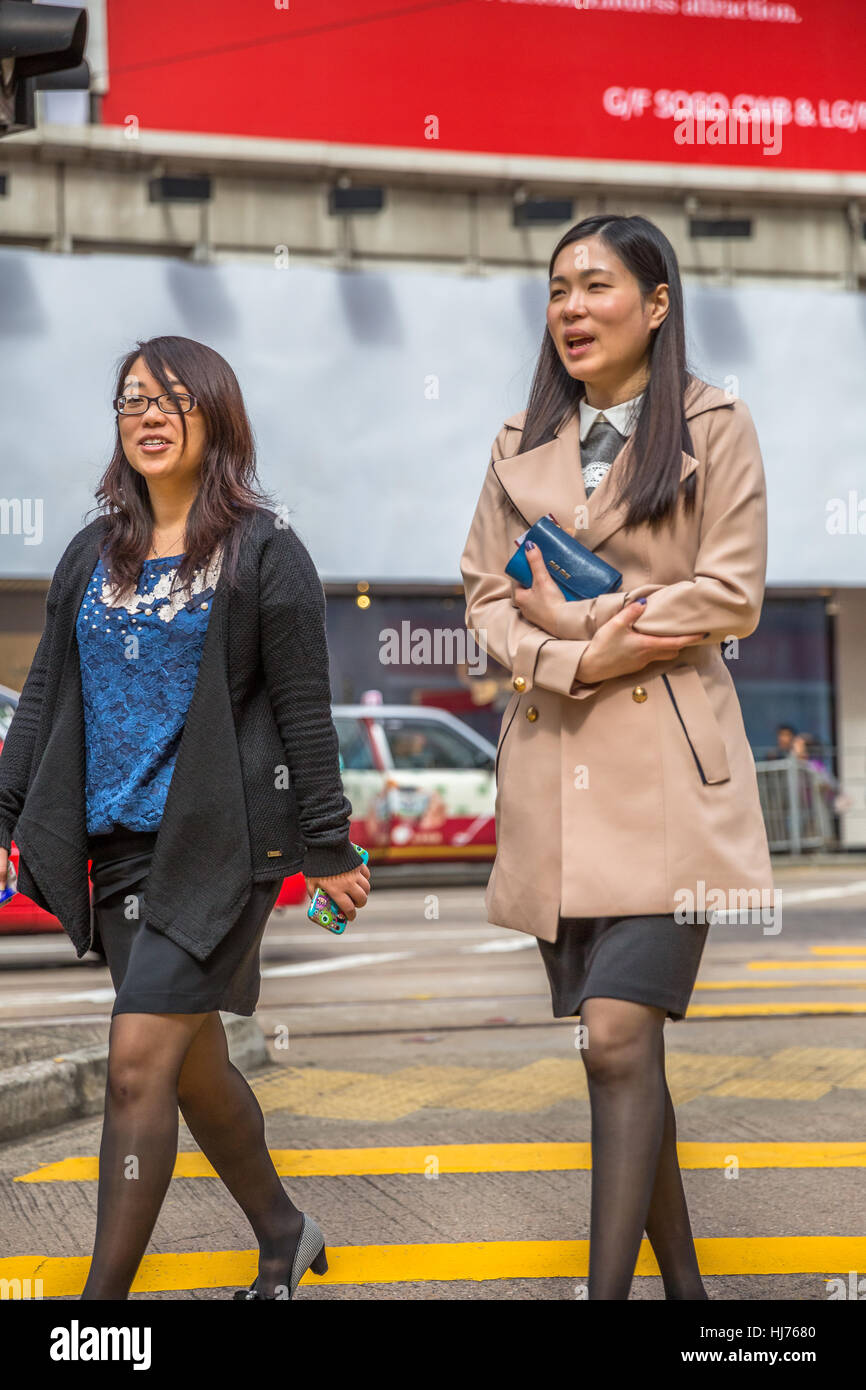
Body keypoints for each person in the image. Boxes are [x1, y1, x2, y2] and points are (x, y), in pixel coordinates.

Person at [0, 336, 370, 1301]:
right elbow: (43, 695)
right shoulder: (93, 552)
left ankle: (96, 1313)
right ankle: (284, 1231)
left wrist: (328, 845)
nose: (150, 416)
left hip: (217, 848)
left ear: (216, 418)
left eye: (172, 400)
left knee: (134, 1065)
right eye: (132, 401)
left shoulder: (266, 553)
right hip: (117, 854)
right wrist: (3, 813)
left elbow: (301, 707)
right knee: (192, 1064)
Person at [460, 213, 774, 1300]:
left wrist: (590, 631)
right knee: (620, 1051)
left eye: (595, 286)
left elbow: (729, 590)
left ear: (655, 303)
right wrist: (567, 661)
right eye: (555, 290)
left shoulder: (713, 424)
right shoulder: (514, 445)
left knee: (610, 1038)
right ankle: (688, 1301)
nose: (570, 309)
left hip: (669, 789)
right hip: (557, 781)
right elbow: (485, 600)